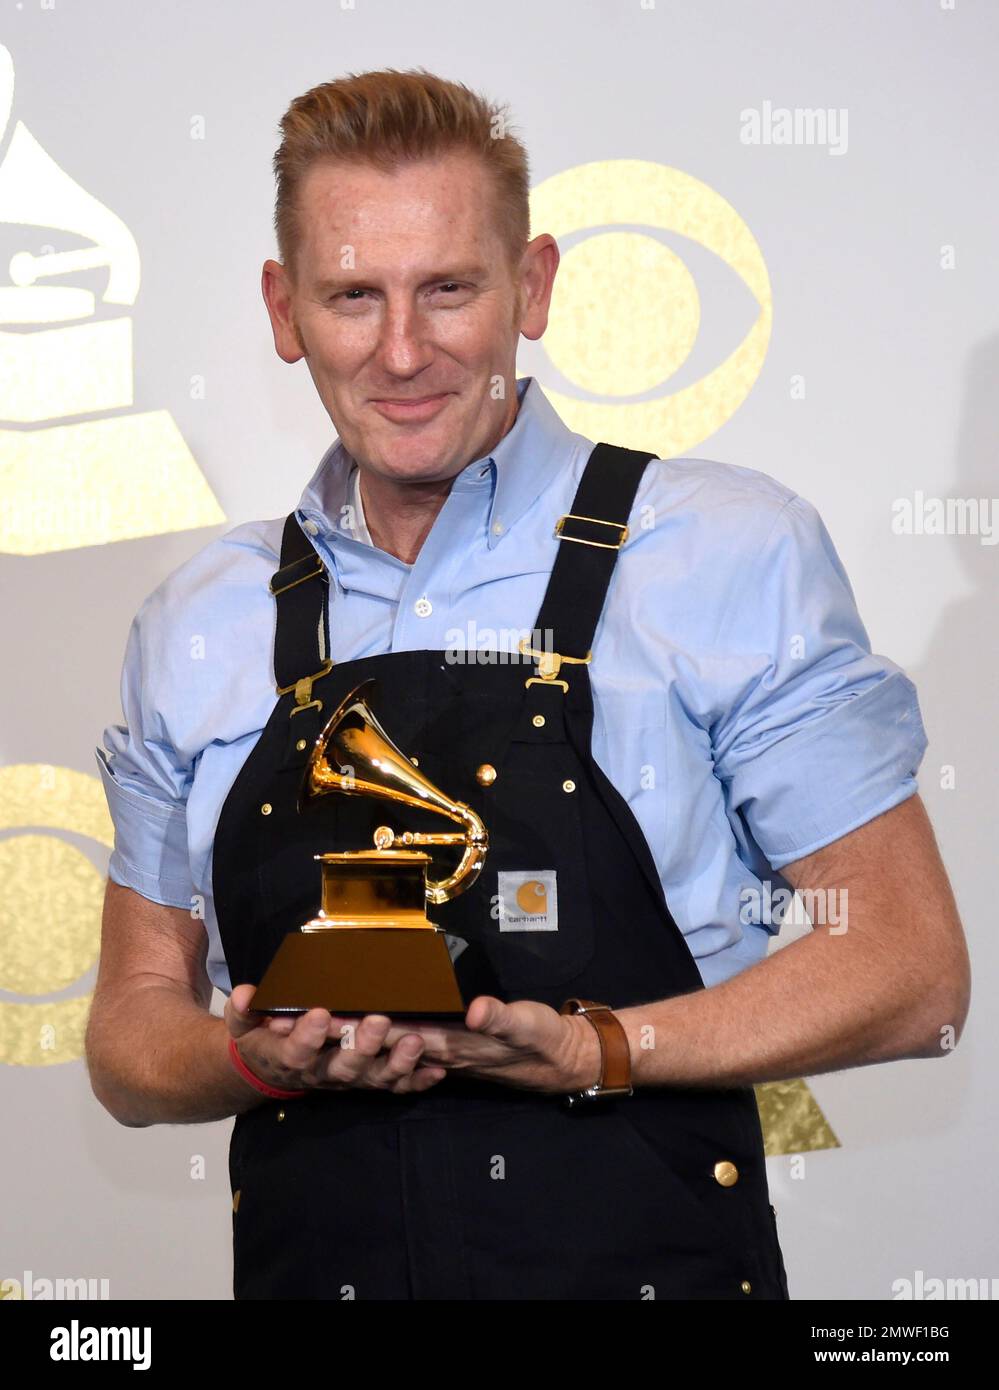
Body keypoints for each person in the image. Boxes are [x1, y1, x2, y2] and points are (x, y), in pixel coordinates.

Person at [85, 68, 970, 1301]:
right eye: (354, 296)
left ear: (534, 284)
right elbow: (130, 1036)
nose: (403, 350)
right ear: (284, 310)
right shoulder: (201, 620)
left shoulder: (725, 551)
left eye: (448, 288)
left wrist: (604, 1047)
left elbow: (909, 968)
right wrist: (265, 1062)